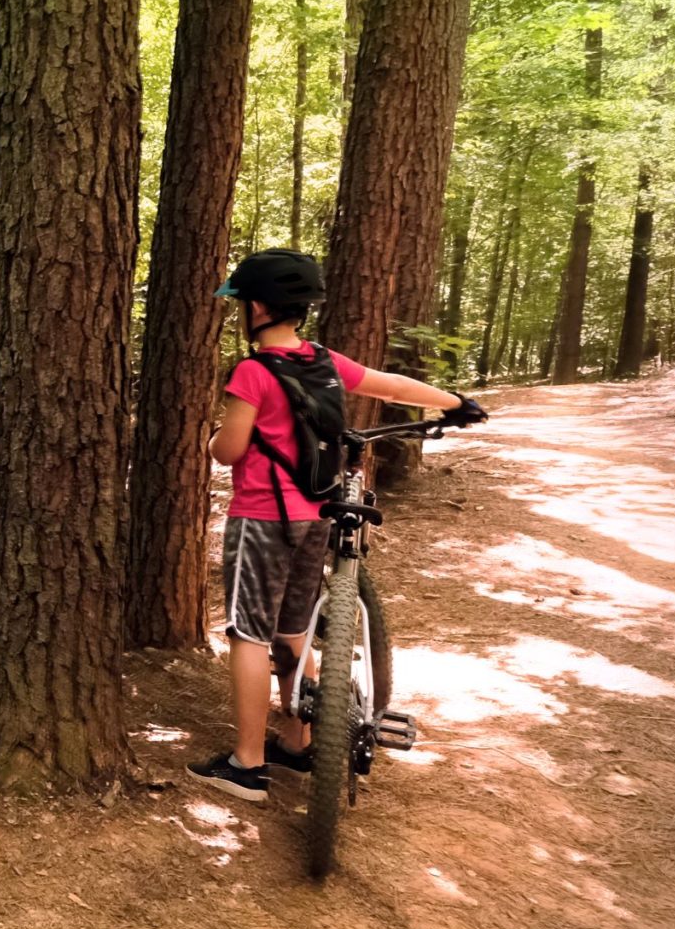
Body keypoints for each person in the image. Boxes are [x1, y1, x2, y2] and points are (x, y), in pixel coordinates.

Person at [188, 249, 488, 805]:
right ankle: (299, 740)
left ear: (255, 307)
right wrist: (456, 403)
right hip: (317, 516)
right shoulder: (323, 361)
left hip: (262, 517)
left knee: (249, 632)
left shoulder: (252, 373)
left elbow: (229, 450)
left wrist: (211, 442)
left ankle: (248, 766)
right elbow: (391, 385)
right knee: (294, 627)